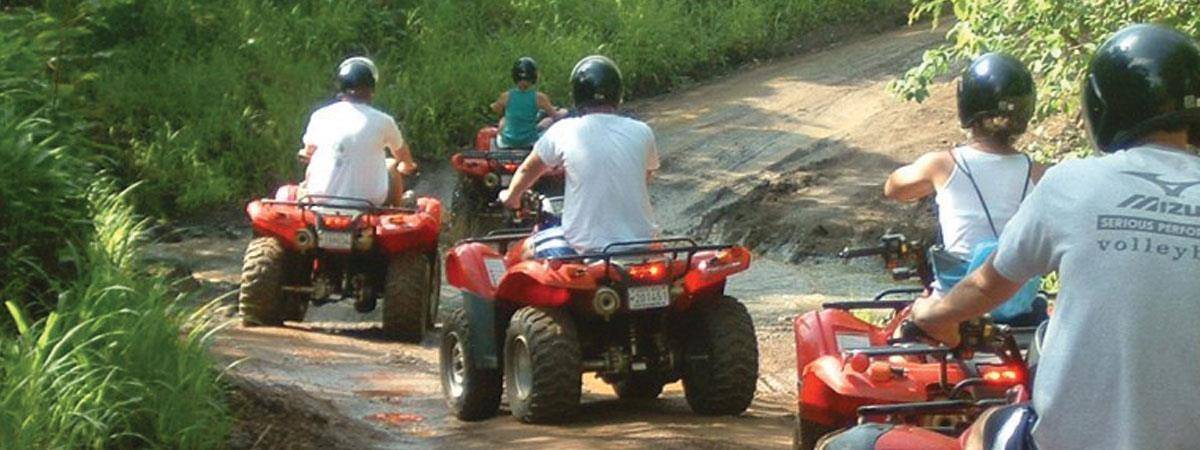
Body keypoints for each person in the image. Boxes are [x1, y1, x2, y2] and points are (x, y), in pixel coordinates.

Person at [911, 24, 1200, 449]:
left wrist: (933, 315)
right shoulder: (1039, 171)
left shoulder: (1072, 182)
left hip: (1062, 440)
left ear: (1103, 106)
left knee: (988, 423)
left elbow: (987, 285)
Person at [884, 52, 1047, 325]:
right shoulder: (1040, 173)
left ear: (967, 106)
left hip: (953, 306)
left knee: (901, 338)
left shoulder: (942, 164)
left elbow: (894, 188)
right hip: (1020, 308)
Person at [501, 55, 660, 258]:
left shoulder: (564, 130)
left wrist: (511, 197)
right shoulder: (642, 131)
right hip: (644, 243)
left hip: (584, 247)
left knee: (520, 254)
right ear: (618, 94)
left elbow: (526, 170)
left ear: (577, 94)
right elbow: (644, 179)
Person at [296, 56, 417, 206]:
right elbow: (402, 154)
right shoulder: (384, 121)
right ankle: (398, 208)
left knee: (310, 169)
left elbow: (308, 151)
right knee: (391, 164)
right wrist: (408, 165)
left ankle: (307, 213)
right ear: (371, 88)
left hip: (319, 199)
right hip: (368, 203)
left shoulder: (320, 116)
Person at [491, 56, 564, 149]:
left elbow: (496, 109)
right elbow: (555, 116)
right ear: (534, 76)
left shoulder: (506, 96)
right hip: (530, 142)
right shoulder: (540, 98)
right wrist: (564, 112)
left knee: (503, 120)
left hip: (507, 143)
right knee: (548, 123)